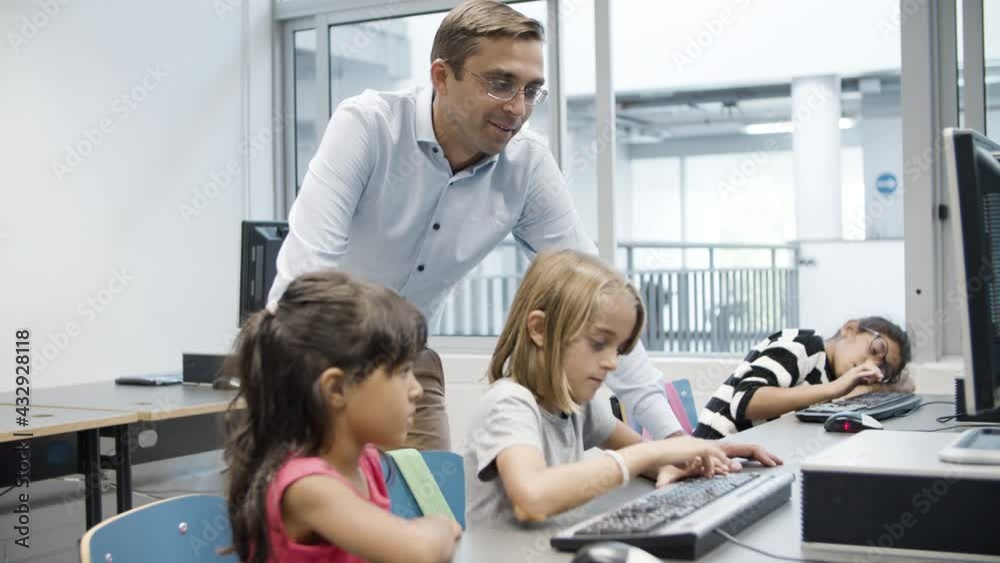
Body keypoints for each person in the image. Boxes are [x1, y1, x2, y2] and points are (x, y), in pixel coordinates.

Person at [268, 0, 684, 450]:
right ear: (442, 77)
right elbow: (305, 273)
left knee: (435, 509)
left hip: (408, 363)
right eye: (501, 83)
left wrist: (675, 437)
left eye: (530, 90)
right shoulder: (369, 127)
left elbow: (597, 298)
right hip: (322, 359)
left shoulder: (527, 166)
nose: (517, 108)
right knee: (314, 508)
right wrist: (280, 389)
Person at [464, 250, 783, 525]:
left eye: (618, 350)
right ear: (540, 330)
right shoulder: (509, 403)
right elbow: (533, 497)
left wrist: (703, 453)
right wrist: (653, 451)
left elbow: (645, 457)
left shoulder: (575, 406)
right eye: (599, 343)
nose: (612, 363)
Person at [223, 270, 461, 563]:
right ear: (336, 389)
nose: (416, 391)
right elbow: (418, 551)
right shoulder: (307, 485)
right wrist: (438, 525)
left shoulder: (367, 461)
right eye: (401, 373)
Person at [693, 317, 913, 439]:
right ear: (850, 329)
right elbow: (745, 402)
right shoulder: (803, 344)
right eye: (876, 349)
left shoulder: (830, 377)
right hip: (713, 447)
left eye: (884, 370)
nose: (871, 366)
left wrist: (876, 388)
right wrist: (838, 387)